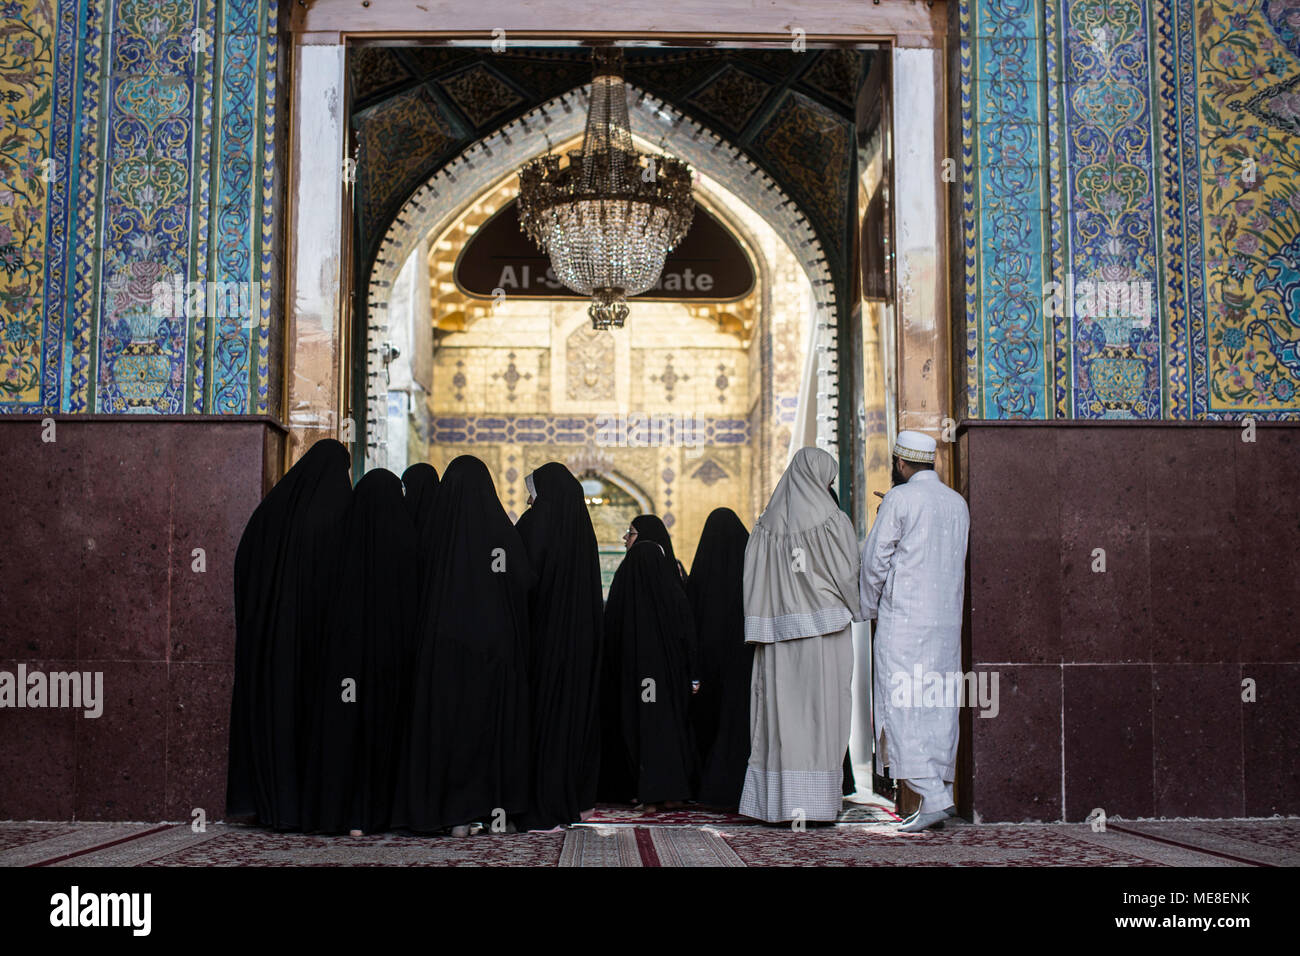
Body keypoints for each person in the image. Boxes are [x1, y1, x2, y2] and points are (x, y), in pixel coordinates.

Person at [393, 455, 534, 837]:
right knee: (492, 728)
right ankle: (496, 814)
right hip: (495, 650)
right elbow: (523, 583)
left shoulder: (433, 532)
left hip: (443, 648)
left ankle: (453, 815)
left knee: (449, 726)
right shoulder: (501, 533)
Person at [227, 439, 353, 831]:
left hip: (272, 647)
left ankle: (272, 806)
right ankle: (309, 807)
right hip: (321, 649)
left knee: (277, 716)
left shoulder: (271, 512)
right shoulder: (339, 512)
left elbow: (244, 565)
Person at [739, 446, 860, 824]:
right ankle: (818, 806)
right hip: (824, 636)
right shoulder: (832, 520)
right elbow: (847, 573)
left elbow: (752, 582)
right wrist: (858, 608)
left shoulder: (764, 526)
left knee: (779, 721)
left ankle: (778, 806)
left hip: (778, 641)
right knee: (822, 717)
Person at [859, 430, 969, 833]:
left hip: (904, 623)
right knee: (938, 705)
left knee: (901, 704)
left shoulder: (900, 500)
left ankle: (934, 798)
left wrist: (867, 608)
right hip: (945, 627)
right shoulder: (957, 503)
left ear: (901, 464)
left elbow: (875, 562)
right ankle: (937, 795)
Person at [301, 468, 419, 835]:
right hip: (391, 663)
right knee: (383, 731)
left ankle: (344, 814)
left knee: (345, 732)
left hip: (344, 665)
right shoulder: (407, 542)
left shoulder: (341, 540)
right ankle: (379, 813)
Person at [513, 462, 604, 830]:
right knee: (569, 719)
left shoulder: (534, 525)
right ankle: (570, 803)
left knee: (539, 721)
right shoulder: (584, 532)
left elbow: (518, 583)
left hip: (538, 644)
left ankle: (538, 805)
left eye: (532, 491)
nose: (529, 499)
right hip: (579, 648)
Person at [599, 537, 700, 811]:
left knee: (642, 732)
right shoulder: (672, 594)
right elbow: (688, 637)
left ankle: (650, 795)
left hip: (637, 684)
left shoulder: (625, 601)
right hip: (669, 682)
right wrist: (693, 678)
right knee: (668, 731)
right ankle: (674, 791)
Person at [686, 508, 752, 809]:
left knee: (710, 721)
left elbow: (691, 619)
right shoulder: (752, 568)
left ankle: (707, 787)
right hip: (745, 661)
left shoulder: (703, 572)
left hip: (709, 666)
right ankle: (743, 788)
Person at [628, 513, 688, 585]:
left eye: (631, 533)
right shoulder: (628, 569)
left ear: (645, 536)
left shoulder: (672, 570)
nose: (625, 537)